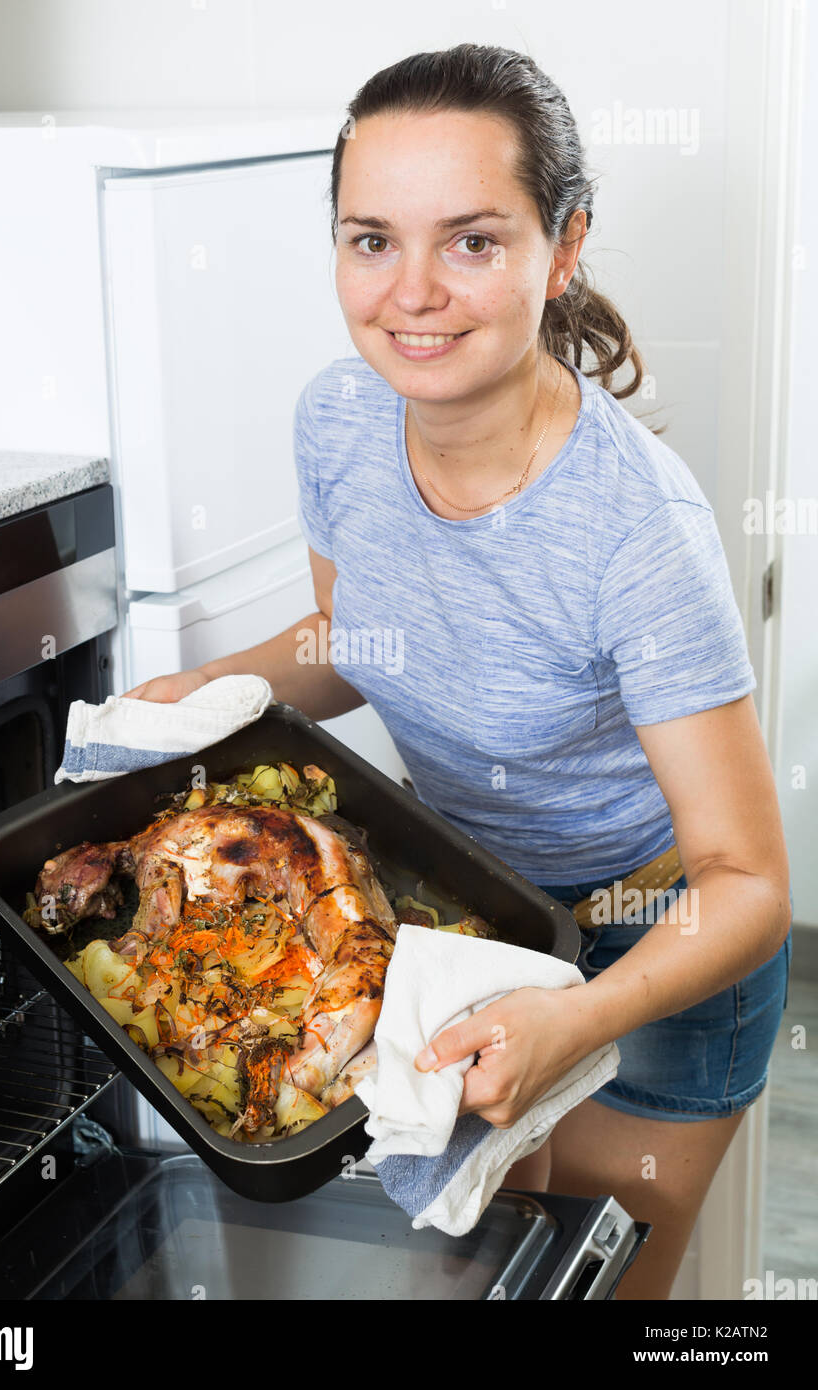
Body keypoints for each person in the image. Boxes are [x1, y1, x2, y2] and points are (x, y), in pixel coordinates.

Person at [124, 43, 792, 1301]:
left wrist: (580, 1018)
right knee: (463, 1283)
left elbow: (749, 881)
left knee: (575, 1288)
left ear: (567, 243)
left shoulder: (637, 532)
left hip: (654, 960)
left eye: (473, 241)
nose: (412, 292)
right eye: (370, 238)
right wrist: (216, 690)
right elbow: (360, 642)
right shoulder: (338, 419)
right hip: (462, 926)